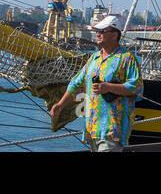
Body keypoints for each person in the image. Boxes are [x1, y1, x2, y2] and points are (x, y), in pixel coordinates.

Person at [50, 13, 143, 151]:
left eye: (101, 31)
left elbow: (136, 87)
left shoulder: (126, 58)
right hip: (93, 126)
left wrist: (108, 87)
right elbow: (76, 83)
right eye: (97, 31)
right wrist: (61, 104)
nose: (97, 34)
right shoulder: (94, 58)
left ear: (114, 34)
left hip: (113, 128)